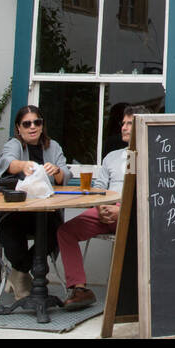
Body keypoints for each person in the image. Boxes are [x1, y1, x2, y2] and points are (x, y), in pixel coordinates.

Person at [57, 107, 134, 310]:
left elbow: (150, 193)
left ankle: (131, 295)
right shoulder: (112, 157)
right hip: (106, 210)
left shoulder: (152, 155)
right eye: (123, 123)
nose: (124, 128)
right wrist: (100, 206)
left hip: (133, 216)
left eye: (130, 123)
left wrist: (124, 211)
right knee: (66, 231)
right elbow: (99, 186)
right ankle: (80, 289)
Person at [0, 105, 68, 298]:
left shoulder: (53, 146)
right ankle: (22, 273)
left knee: (56, 231)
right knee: (7, 229)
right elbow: (7, 163)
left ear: (42, 125)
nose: (32, 127)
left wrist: (57, 171)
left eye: (37, 122)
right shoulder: (15, 144)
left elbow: (65, 174)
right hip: (18, 209)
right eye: (27, 124)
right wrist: (23, 165)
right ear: (18, 128)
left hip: (45, 210)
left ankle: (19, 273)